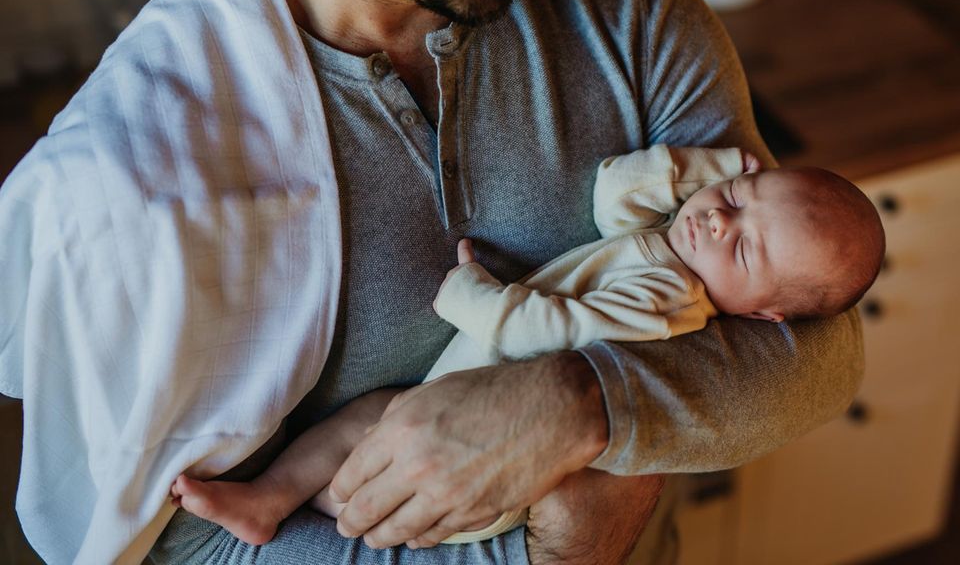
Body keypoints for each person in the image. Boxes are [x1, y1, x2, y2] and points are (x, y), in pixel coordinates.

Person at [0, 0, 866, 564]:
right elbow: (183, 548)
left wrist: (580, 404)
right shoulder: (133, 175)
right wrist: (549, 545)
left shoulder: (628, 8)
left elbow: (819, 349)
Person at [165, 145, 884, 549]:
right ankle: (268, 501)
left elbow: (554, 332)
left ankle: (291, 509)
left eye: (747, 248)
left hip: (485, 450)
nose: (720, 224)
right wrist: (705, 173)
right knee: (371, 421)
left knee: (371, 452)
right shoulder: (671, 244)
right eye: (735, 200)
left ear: (761, 314)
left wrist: (468, 292)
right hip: (450, 398)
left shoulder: (669, 302)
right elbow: (613, 196)